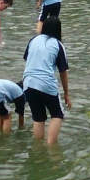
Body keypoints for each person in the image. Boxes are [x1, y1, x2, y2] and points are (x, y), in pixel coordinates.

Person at [23, 16, 71, 145]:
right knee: (57, 115)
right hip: (46, 84)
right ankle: (51, 147)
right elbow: (63, 72)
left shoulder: (33, 40)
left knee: (38, 119)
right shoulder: (58, 44)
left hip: (28, 84)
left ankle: (38, 148)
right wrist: (66, 93)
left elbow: (28, 60)